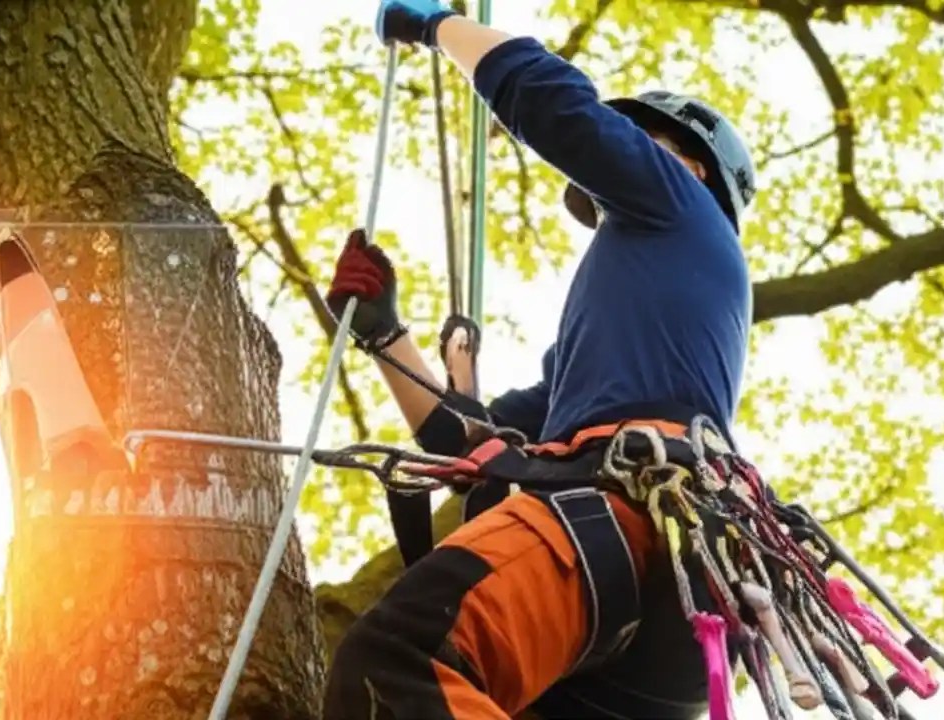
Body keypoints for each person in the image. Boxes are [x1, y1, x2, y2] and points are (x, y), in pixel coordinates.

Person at [320, 1, 759, 718]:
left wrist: (436, 26)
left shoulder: (682, 205)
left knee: (397, 661)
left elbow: (550, 101)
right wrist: (383, 335)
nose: (623, 152)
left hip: (621, 513)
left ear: (694, 164)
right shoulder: (622, 340)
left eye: (640, 138)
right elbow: (467, 439)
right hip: (674, 589)